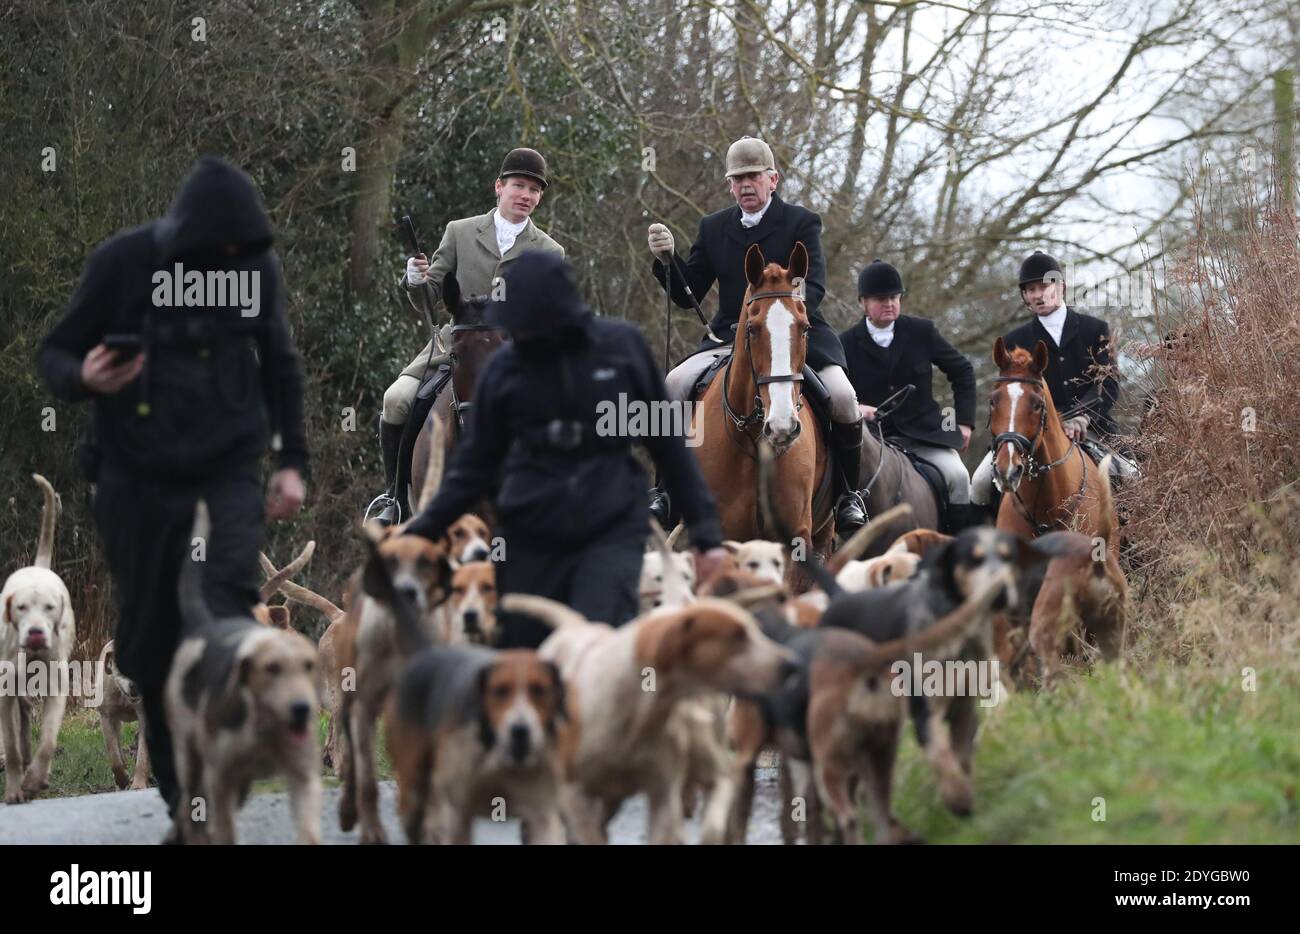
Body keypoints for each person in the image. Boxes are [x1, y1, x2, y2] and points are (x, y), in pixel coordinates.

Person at [37, 156, 308, 834]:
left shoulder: (254, 272)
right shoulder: (122, 263)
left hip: (228, 471)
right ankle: (187, 805)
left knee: (222, 610)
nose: (226, 263)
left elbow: (280, 363)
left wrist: (292, 462)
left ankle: (232, 768)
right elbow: (55, 357)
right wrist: (87, 376)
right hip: (135, 477)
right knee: (151, 644)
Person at [404, 251, 729, 647]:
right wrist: (421, 530)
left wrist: (707, 536)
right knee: (524, 653)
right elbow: (472, 467)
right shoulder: (504, 369)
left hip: (608, 527)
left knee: (593, 644)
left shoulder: (621, 348)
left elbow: (670, 448)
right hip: (530, 531)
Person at [646, 136, 868, 534]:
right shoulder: (713, 227)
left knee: (844, 399)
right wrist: (667, 262)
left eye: (753, 177)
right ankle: (663, 490)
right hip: (730, 338)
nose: (745, 185)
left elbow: (812, 286)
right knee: (673, 385)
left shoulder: (802, 222)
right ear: (730, 185)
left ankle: (849, 495)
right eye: (738, 179)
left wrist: (784, 312)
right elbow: (689, 293)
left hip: (795, 334)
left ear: (772, 179)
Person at [371, 148, 564, 524]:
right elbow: (431, 295)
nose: (526, 195)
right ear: (499, 187)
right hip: (454, 347)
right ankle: (393, 498)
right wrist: (414, 279)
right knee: (396, 400)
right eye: (519, 186)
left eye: (535, 190)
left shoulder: (549, 251)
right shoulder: (459, 231)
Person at [971, 250, 1126, 511]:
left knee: (1132, 473)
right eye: (1030, 290)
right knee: (979, 481)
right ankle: (987, 546)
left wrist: (1082, 417)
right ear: (1024, 296)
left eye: (1044, 286)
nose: (1037, 295)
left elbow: (1108, 384)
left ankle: (1131, 548)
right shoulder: (1014, 340)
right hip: (1029, 431)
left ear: (1061, 287)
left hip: (1094, 427)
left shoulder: (1095, 329)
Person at [838, 259, 980, 529]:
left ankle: (960, 551)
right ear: (863, 303)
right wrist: (857, 408)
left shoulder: (921, 331)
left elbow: (962, 370)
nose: (889, 303)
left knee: (959, 477)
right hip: (872, 439)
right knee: (840, 486)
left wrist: (964, 421)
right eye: (881, 299)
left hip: (924, 434)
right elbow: (833, 390)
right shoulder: (844, 343)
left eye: (894, 297)